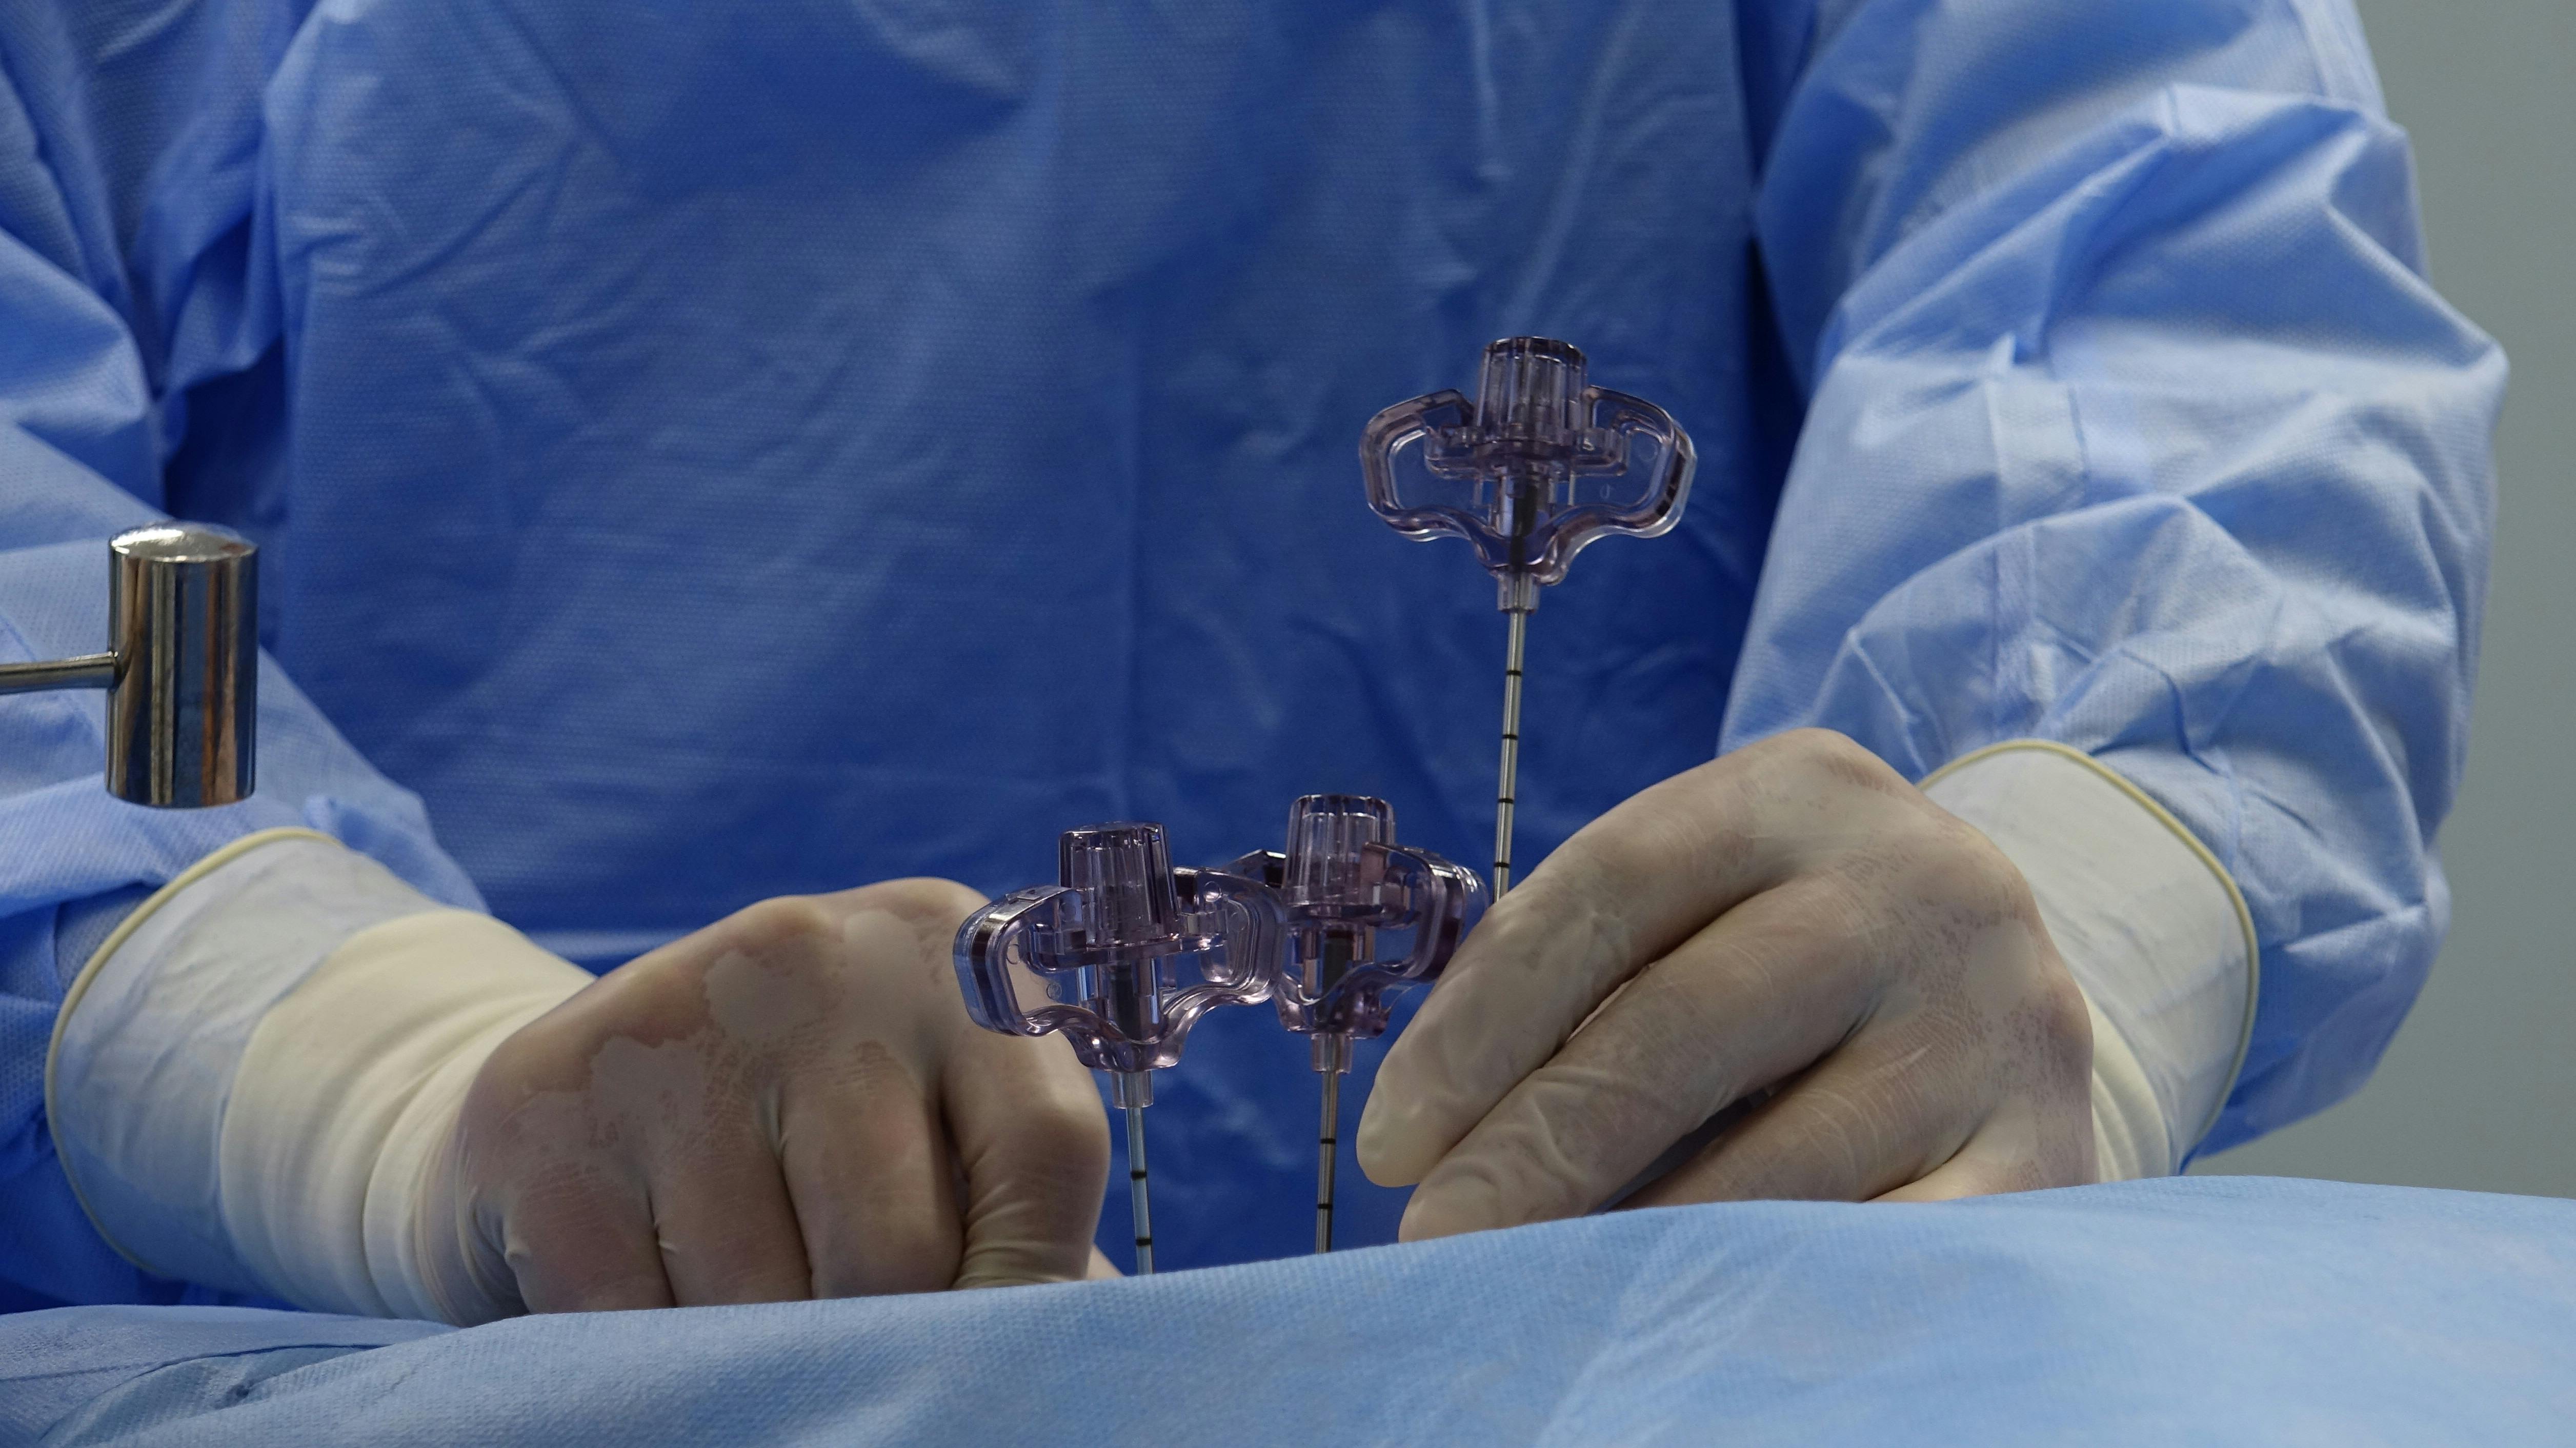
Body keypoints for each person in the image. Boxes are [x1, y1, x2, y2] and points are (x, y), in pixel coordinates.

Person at [0, 0, 2497, 1321]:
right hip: (406, 1365)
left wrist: (2053, 879)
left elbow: (2164, 295)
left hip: (1655, 1361)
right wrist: (365, 1083)